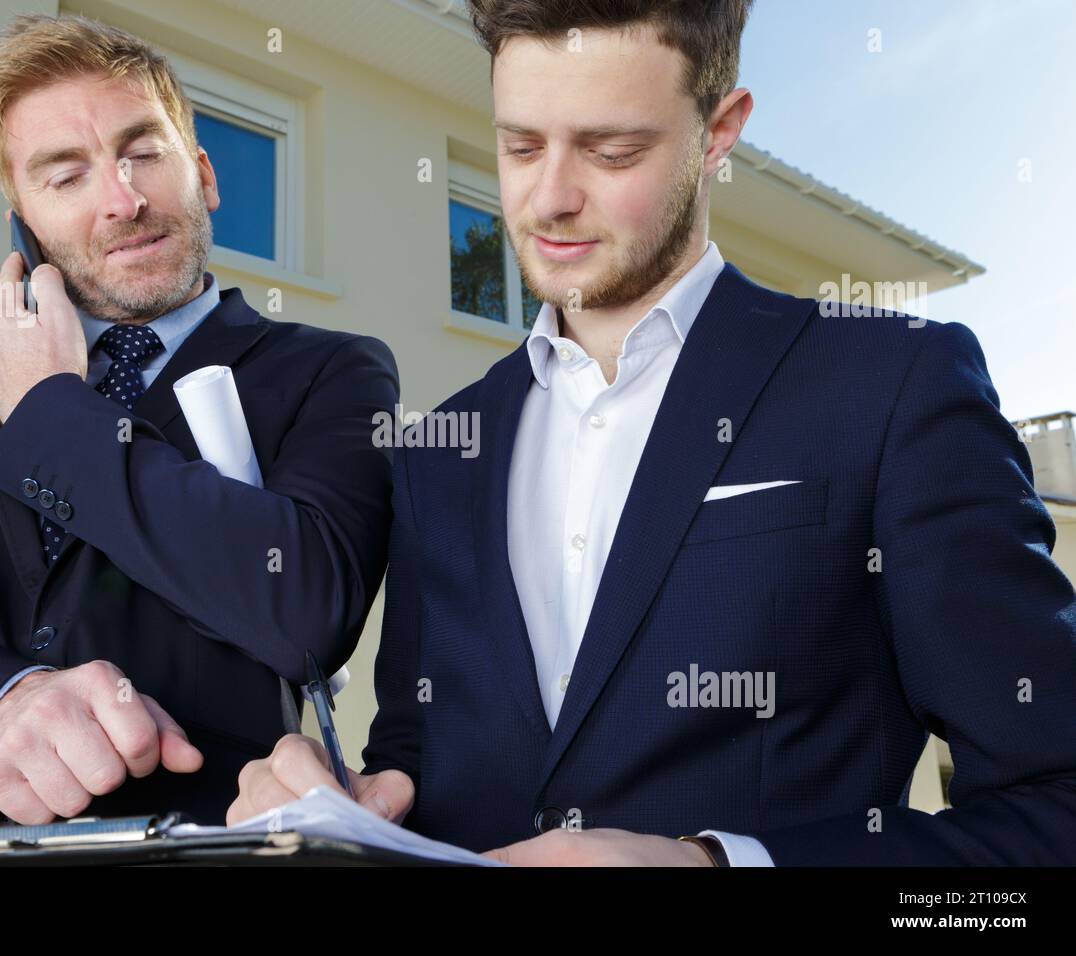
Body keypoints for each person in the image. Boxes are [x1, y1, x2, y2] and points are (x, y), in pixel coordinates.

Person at [229, 0, 1076, 866]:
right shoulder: (438, 448)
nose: (547, 199)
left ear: (719, 133)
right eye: (520, 145)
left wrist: (717, 867)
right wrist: (341, 814)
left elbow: (1055, 809)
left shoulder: (893, 384)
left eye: (612, 150)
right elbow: (414, 767)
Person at [0, 14, 398, 866]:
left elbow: (306, 614)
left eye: (144, 151)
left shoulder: (333, 372)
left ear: (205, 174)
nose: (123, 198)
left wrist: (50, 412)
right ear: (23, 226)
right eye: (66, 176)